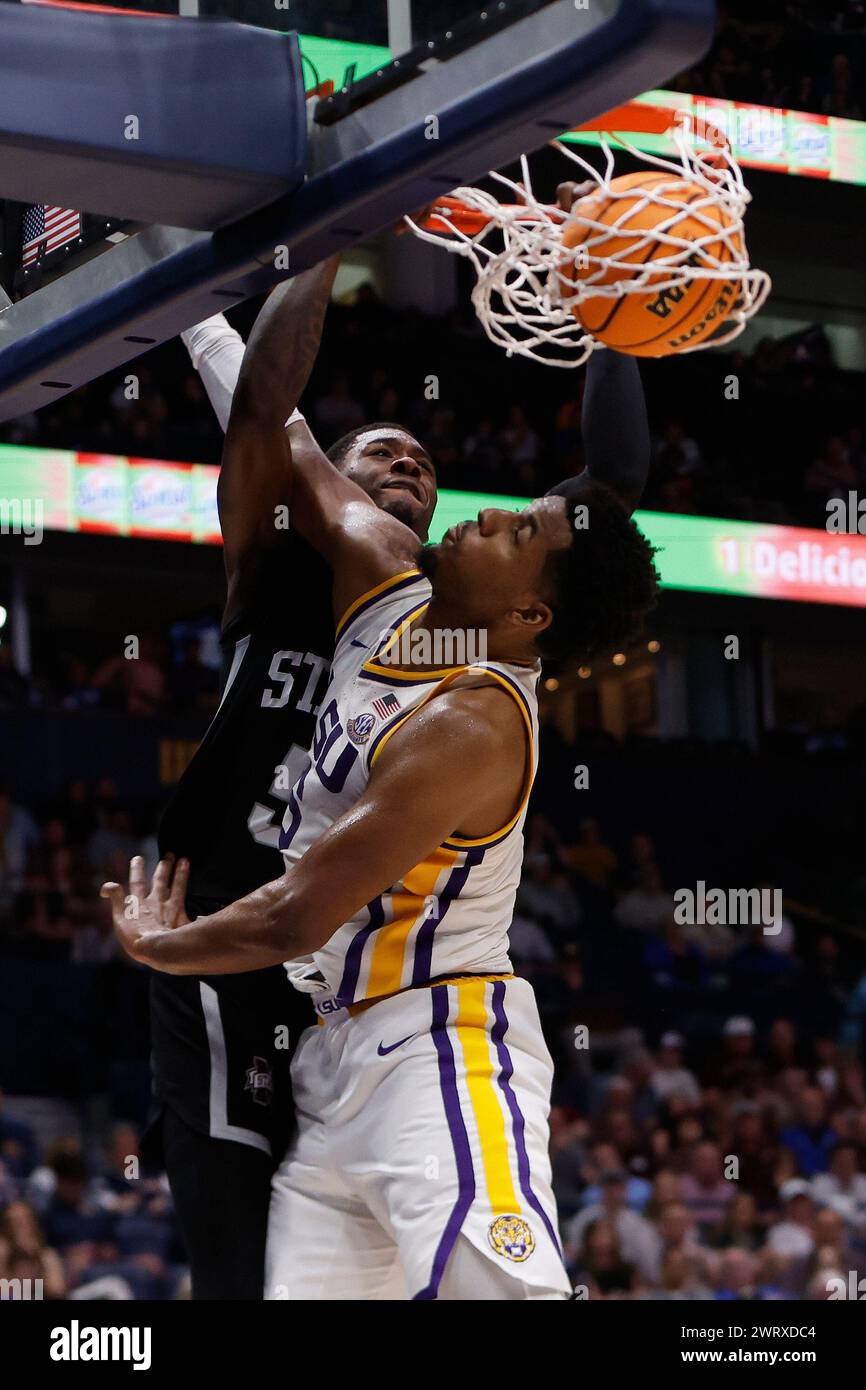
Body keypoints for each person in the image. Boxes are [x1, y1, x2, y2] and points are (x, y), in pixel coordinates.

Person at [105, 238, 656, 1300]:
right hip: (334, 1053)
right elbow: (270, 414)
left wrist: (158, 947)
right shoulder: (377, 574)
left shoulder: (477, 721)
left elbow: (294, 916)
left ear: (529, 611)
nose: (486, 507)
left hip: (436, 1042)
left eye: (517, 526)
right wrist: (306, 234)